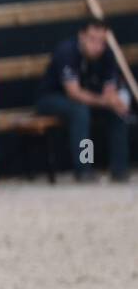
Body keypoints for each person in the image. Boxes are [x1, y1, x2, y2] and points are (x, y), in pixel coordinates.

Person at [37, 17, 131, 182]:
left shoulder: (107, 54)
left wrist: (116, 102)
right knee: (80, 111)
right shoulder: (67, 51)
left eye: (102, 41)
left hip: (88, 99)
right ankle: (84, 169)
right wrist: (105, 101)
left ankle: (119, 170)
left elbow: (109, 90)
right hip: (52, 98)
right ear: (81, 36)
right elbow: (73, 92)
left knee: (117, 112)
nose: (97, 46)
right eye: (92, 40)